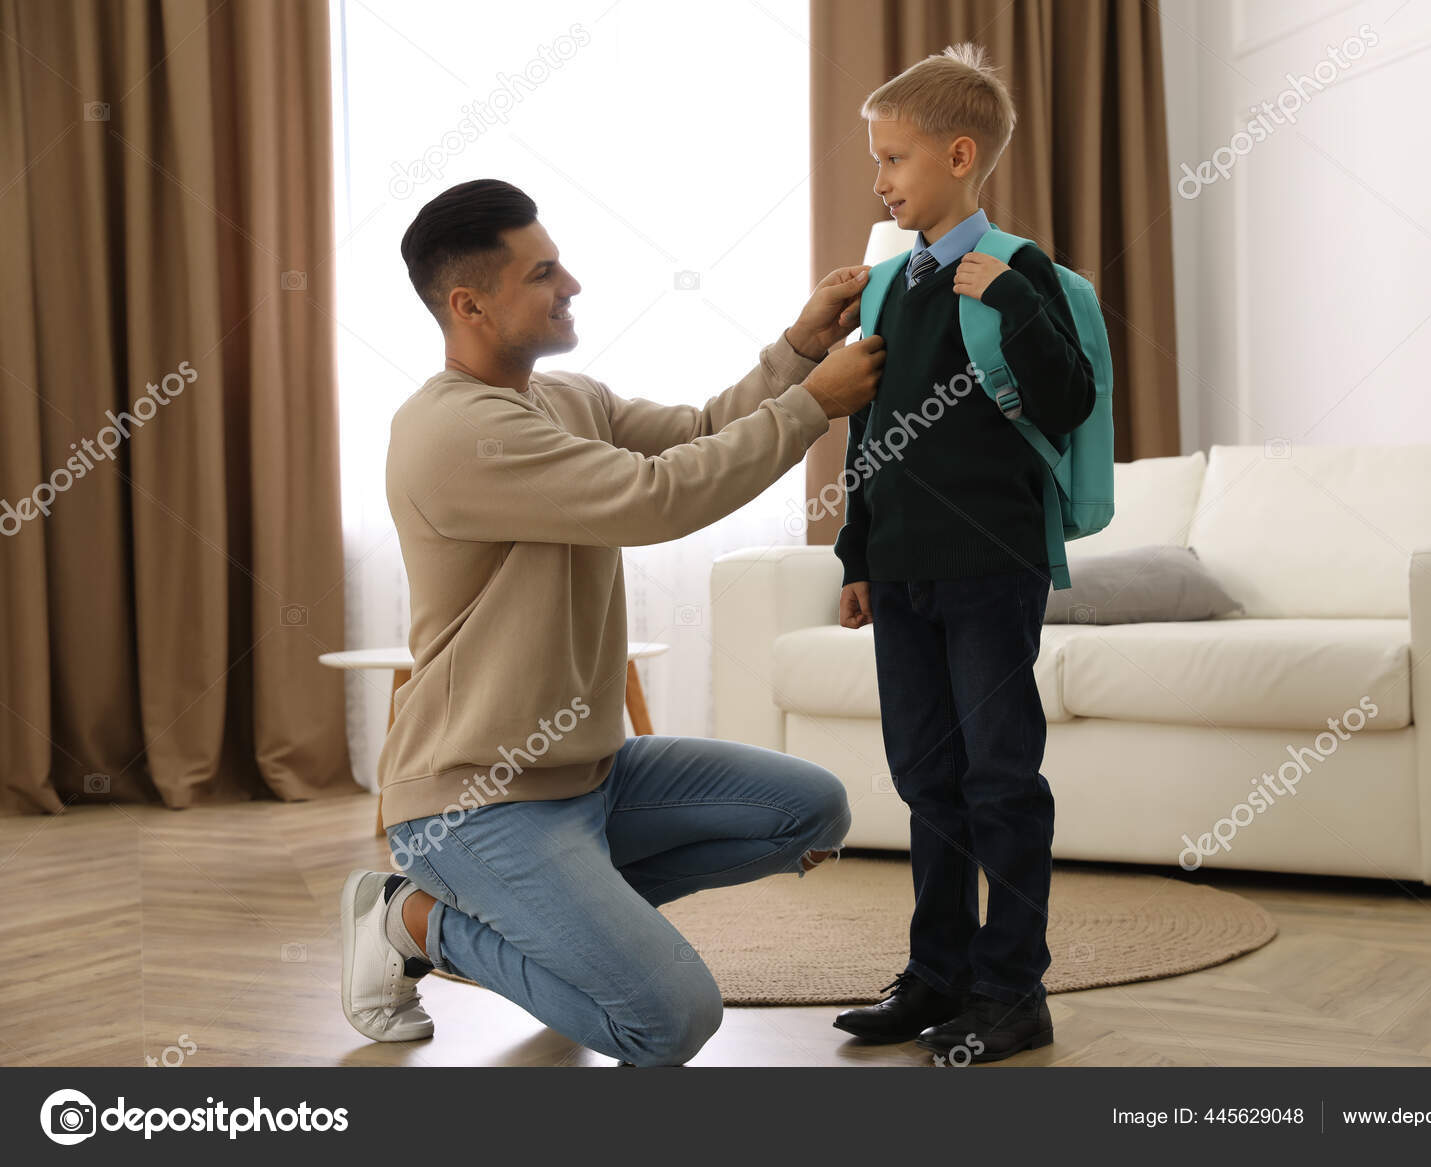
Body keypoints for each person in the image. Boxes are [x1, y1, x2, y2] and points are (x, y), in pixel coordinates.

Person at [339, 178, 885, 1067]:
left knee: (808, 812)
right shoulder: (451, 433)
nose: (573, 285)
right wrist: (814, 404)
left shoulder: (567, 400)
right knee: (667, 1023)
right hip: (475, 801)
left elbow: (702, 431)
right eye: (544, 272)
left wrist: (797, 350)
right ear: (469, 304)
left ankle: (566, 932)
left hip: (589, 778)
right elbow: (656, 497)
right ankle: (409, 920)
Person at [828, 45, 1098, 1063]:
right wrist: (856, 554)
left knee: (999, 778)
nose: (881, 180)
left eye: (894, 159)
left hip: (991, 566)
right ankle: (935, 977)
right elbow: (865, 431)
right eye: (876, 161)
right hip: (900, 569)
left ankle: (1012, 989)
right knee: (924, 777)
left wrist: (1016, 305)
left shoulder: (1022, 272)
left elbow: (1067, 403)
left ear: (957, 154)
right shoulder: (890, 287)